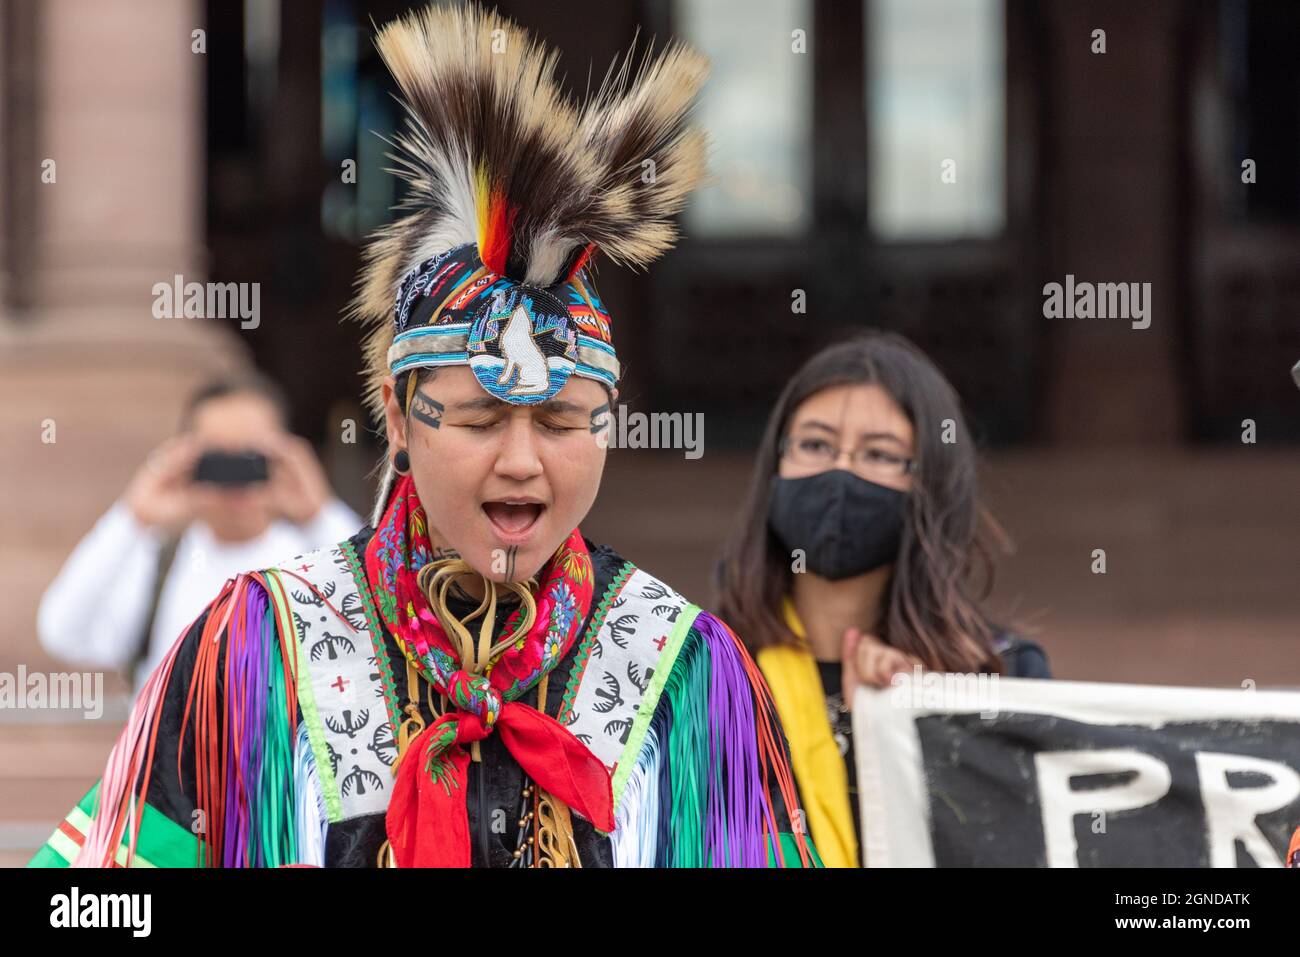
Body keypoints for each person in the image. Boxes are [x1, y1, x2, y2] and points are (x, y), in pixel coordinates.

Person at [30, 3, 815, 869]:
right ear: (397, 420)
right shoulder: (255, 655)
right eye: (479, 419)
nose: (522, 461)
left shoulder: (686, 680)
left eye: (560, 421)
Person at [714, 331, 1050, 868]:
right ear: (776, 463)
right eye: (816, 445)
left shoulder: (1000, 674)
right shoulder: (705, 673)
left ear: (930, 487)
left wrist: (928, 725)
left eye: (879, 454)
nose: (840, 473)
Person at [36, 373, 361, 691]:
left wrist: (320, 513)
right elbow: (61, 632)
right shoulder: (159, 564)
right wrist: (132, 518)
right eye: (217, 460)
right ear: (187, 461)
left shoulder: (316, 559)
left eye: (252, 458)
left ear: (286, 457)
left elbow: (377, 616)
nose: (236, 480)